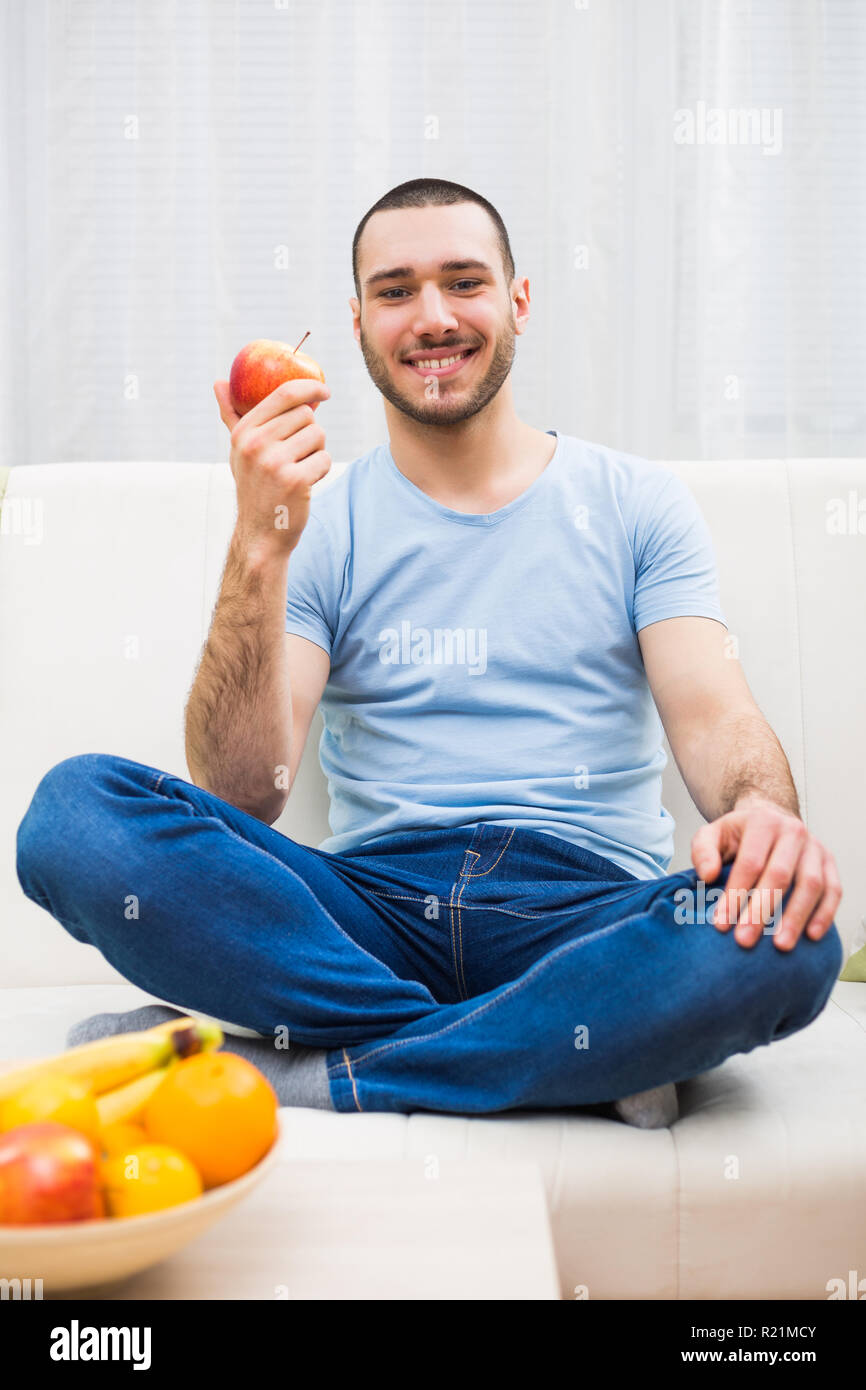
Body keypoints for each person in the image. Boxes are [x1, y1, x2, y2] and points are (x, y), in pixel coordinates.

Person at [16, 179, 843, 1127]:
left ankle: (316, 1071)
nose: (434, 317)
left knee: (787, 932)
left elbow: (719, 720)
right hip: (364, 915)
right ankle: (563, 1046)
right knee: (72, 817)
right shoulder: (316, 524)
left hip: (584, 915)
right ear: (359, 321)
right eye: (398, 289)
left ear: (517, 301)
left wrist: (764, 816)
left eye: (464, 281)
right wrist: (260, 544)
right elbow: (244, 793)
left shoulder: (634, 502)